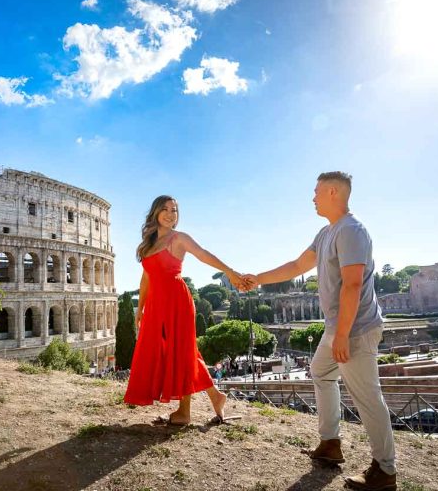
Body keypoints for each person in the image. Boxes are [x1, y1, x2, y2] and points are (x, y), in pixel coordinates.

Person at [244, 172, 396, 491]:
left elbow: (353, 284)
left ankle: (385, 471)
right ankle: (330, 444)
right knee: (321, 373)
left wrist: (342, 335)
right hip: (336, 327)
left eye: (316, 192)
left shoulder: (352, 230)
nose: (312, 197)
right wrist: (257, 278)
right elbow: (296, 266)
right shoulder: (326, 232)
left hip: (355, 328)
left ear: (332, 192)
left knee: (367, 398)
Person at [123, 195, 245, 426]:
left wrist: (229, 271)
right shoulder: (148, 245)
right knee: (167, 350)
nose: (171, 214)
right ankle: (214, 397)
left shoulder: (179, 238)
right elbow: (146, 278)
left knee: (181, 350)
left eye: (175, 210)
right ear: (156, 212)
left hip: (176, 300)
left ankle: (185, 412)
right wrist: (140, 308)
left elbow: (203, 254)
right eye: (166, 209)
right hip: (156, 304)